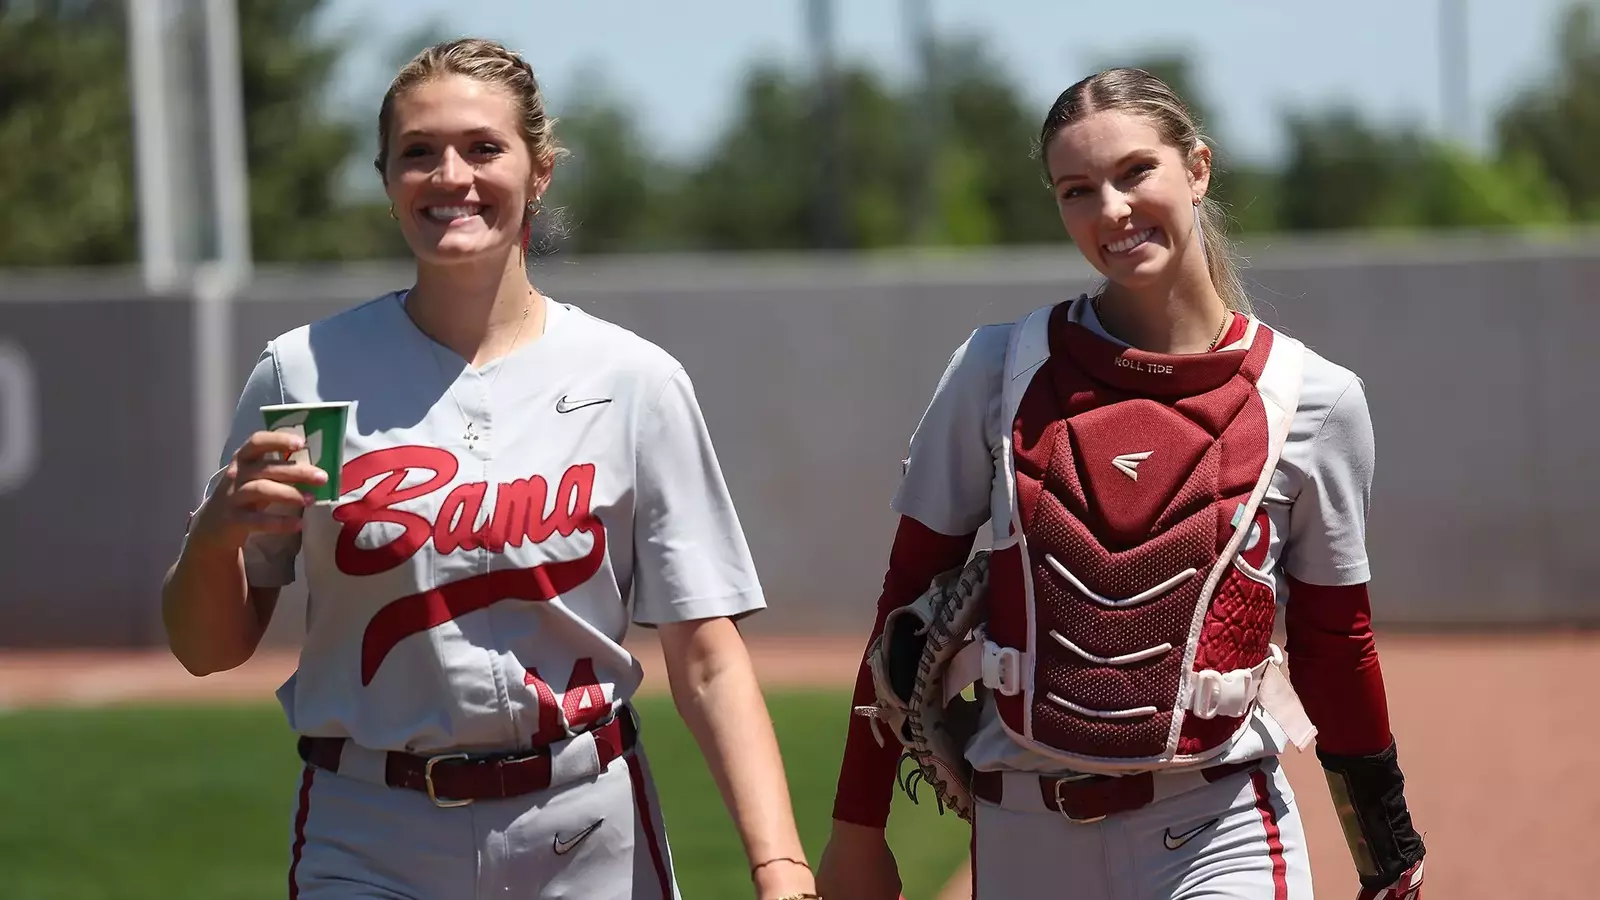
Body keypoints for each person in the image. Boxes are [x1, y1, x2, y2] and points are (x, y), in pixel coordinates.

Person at [161, 37, 819, 900]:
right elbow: (209, 651)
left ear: (539, 171)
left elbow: (707, 657)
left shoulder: (631, 381)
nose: (450, 176)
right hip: (366, 832)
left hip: (584, 827)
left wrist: (780, 865)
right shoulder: (304, 373)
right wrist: (212, 536)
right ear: (388, 178)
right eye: (419, 153)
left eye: (483, 148)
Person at [817, 67, 1426, 900]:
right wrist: (857, 830)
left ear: (1198, 168)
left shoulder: (1313, 398)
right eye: (1078, 189)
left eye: (1136, 171)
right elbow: (903, 609)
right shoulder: (997, 370)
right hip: (1024, 832)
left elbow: (1335, 644)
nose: (1110, 210)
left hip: (1218, 829)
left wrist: (1386, 851)